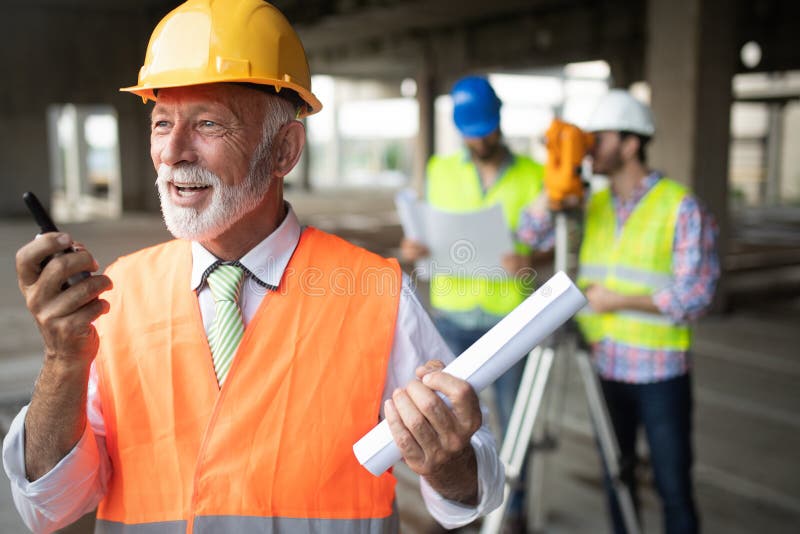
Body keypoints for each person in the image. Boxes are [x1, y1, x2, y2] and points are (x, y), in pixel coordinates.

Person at [1, 1, 505, 532]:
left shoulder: (375, 293)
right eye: (162, 122)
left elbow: (477, 489)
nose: (173, 152)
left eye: (208, 124)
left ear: (284, 150)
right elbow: (48, 506)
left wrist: (449, 461)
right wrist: (62, 362)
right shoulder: (115, 294)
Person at [518, 89, 719, 534]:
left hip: (659, 373)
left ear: (631, 144)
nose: (590, 146)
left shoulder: (681, 207)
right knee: (617, 480)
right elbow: (529, 232)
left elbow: (698, 295)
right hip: (605, 366)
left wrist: (619, 301)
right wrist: (555, 182)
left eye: (599, 138)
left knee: (672, 487)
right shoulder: (593, 203)